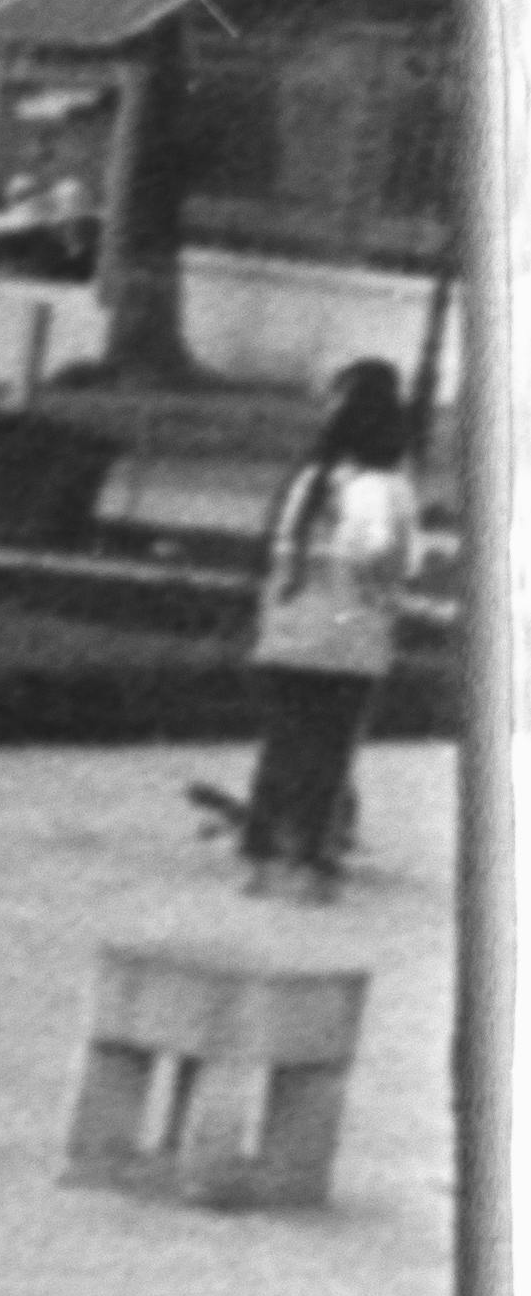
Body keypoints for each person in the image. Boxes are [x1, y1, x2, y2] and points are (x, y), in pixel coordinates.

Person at [236, 360, 425, 902]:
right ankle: (310, 866)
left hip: (287, 635)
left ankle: (263, 860)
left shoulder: (310, 482)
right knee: (330, 753)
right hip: (348, 641)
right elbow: (386, 560)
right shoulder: (386, 488)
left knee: (283, 748)